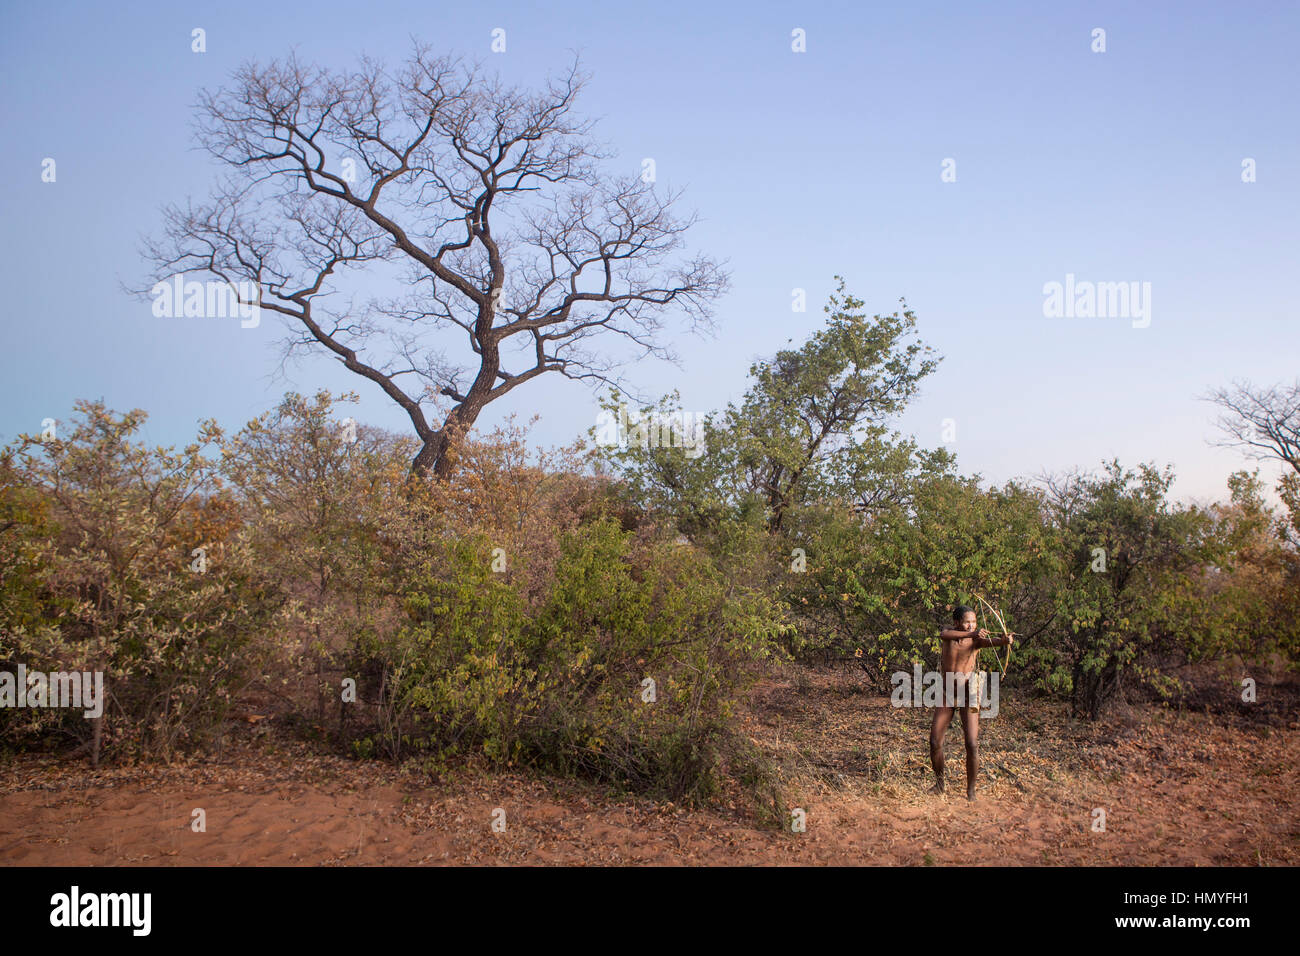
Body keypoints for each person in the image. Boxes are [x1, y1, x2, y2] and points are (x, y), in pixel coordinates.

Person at [929, 604, 1014, 801]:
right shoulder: (949, 634)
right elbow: (944, 634)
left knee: (972, 743)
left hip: (969, 693)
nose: (971, 625)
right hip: (947, 692)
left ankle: (971, 791)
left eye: (974, 622)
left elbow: (994, 641)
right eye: (967, 622)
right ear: (957, 622)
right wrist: (973, 633)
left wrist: (1005, 640)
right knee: (934, 741)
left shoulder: (976, 641)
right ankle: (940, 784)